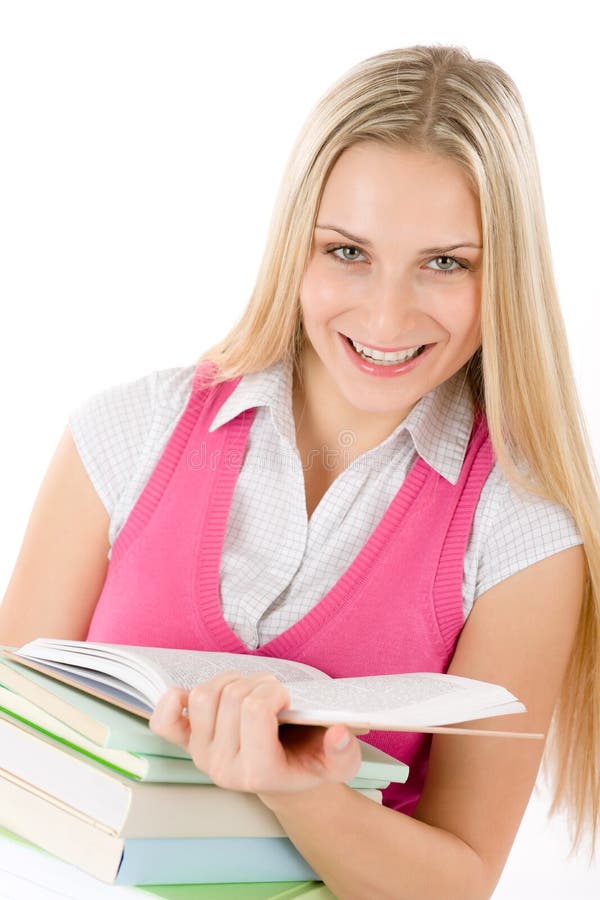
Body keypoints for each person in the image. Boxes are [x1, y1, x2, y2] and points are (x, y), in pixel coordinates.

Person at [1, 44, 598, 898]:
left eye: (445, 263)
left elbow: (458, 883)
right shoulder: (127, 433)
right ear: (296, 246)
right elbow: (12, 749)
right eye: (348, 252)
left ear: (501, 275)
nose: (386, 314)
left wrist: (305, 793)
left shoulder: (523, 531)